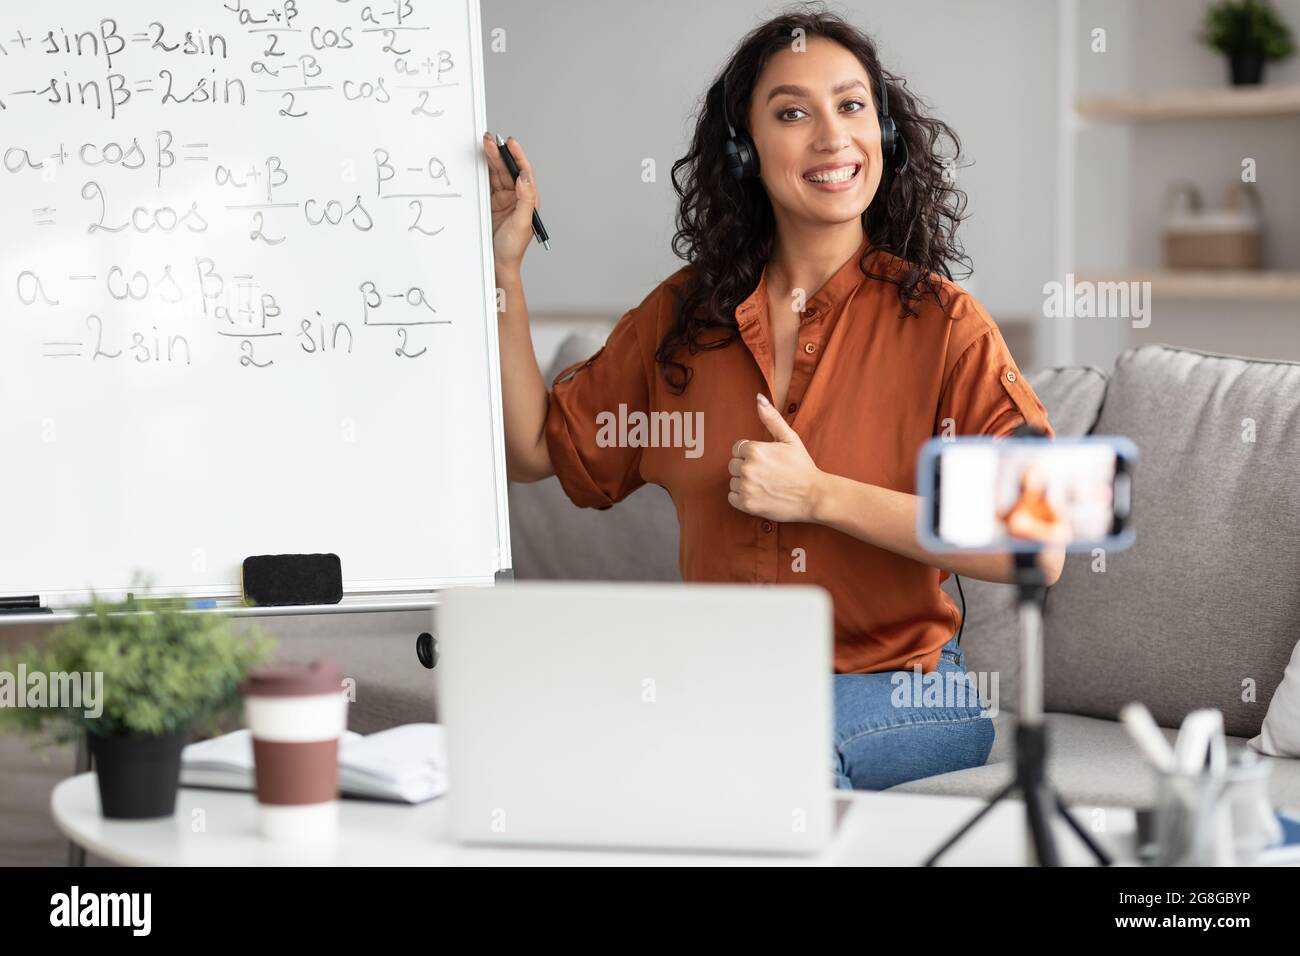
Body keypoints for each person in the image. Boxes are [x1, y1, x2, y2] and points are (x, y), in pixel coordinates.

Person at [482, 6, 1061, 790]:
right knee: (559, 749)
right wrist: (506, 269)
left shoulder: (943, 323)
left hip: (908, 687)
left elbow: (1038, 542)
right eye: (793, 112)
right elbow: (532, 451)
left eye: (852, 106)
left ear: (883, 136)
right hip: (730, 684)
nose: (832, 136)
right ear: (744, 149)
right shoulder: (682, 321)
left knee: (765, 760)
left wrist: (820, 495)